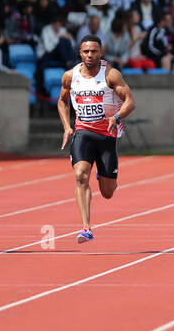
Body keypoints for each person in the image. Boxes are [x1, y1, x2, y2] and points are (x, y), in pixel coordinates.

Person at [58, 35, 136, 244]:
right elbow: (62, 101)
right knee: (80, 176)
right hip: (83, 132)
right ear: (80, 53)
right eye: (86, 51)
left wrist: (117, 117)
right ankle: (86, 228)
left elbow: (130, 101)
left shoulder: (111, 75)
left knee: (108, 192)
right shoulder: (70, 76)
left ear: (100, 52)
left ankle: (105, 176)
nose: (90, 55)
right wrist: (67, 126)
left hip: (107, 135)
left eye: (94, 51)